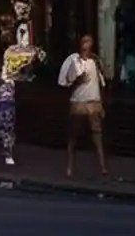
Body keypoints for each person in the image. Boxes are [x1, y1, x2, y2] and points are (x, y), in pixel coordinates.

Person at [0, 22, 45, 165]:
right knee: (2, 127)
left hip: (10, 101)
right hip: (1, 101)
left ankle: (8, 150)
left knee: (8, 127)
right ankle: (6, 148)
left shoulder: (24, 60)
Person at [58, 34, 109, 177]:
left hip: (93, 102)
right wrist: (77, 81)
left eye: (89, 42)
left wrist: (102, 104)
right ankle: (70, 167)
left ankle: (102, 166)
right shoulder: (74, 61)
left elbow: (102, 83)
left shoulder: (96, 62)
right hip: (79, 103)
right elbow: (66, 83)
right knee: (73, 136)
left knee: (97, 135)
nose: (86, 45)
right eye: (84, 42)